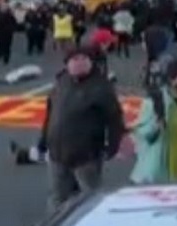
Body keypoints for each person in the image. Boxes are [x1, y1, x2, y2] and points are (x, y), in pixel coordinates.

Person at [38, 47, 125, 211]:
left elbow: (114, 118)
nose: (78, 63)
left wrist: (112, 146)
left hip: (86, 155)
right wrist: (43, 140)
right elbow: (51, 113)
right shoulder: (61, 82)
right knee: (57, 197)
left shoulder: (101, 87)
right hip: (58, 153)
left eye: (83, 59)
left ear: (91, 63)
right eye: (74, 60)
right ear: (67, 64)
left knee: (90, 198)